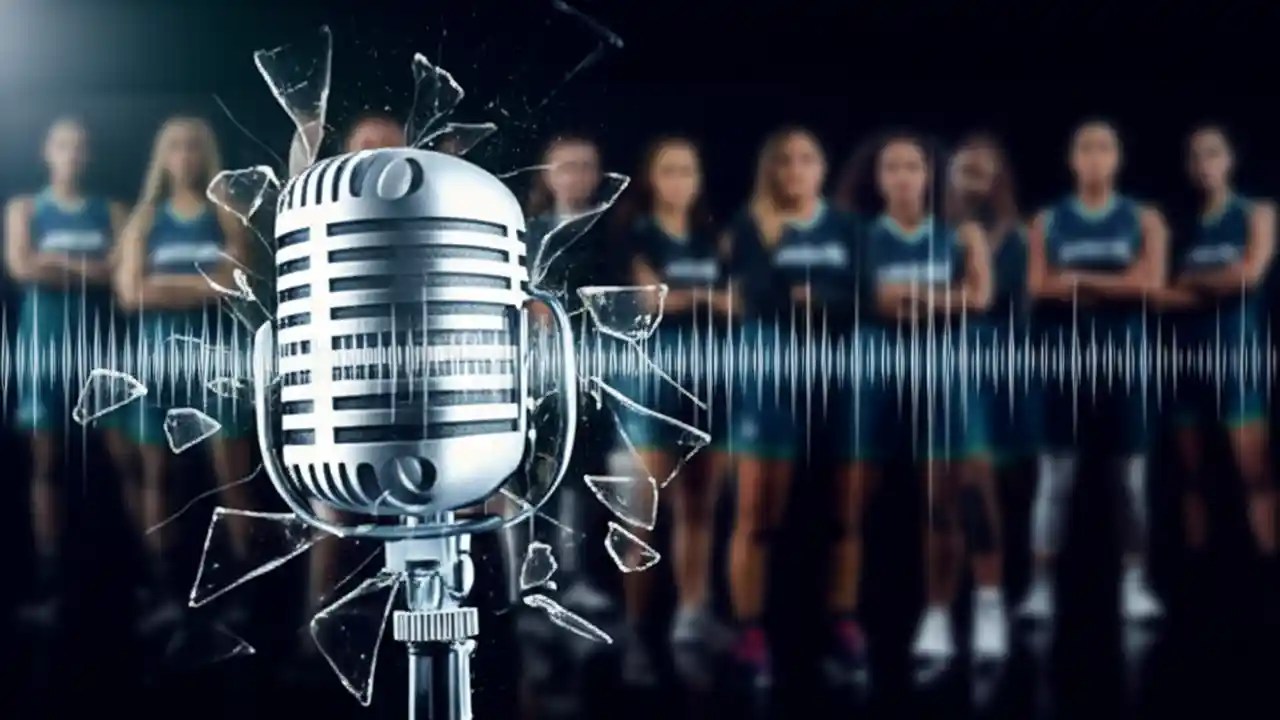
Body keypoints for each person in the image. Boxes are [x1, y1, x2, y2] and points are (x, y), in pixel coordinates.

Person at [850, 132, 1004, 677]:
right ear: (877, 177)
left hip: (947, 380)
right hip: (879, 381)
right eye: (891, 167)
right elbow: (862, 300)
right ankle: (855, 618)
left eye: (912, 166)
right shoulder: (862, 237)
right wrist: (938, 300)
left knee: (959, 495)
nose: (902, 177)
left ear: (929, 175)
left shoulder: (961, 234)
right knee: (860, 502)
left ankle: (966, 611)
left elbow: (980, 297)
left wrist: (910, 300)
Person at [721, 127, 862, 690]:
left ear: (822, 169)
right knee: (756, 513)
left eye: (807, 159)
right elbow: (754, 295)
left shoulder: (848, 228)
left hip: (836, 384)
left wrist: (812, 297)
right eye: (785, 161)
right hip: (768, 382)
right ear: (771, 171)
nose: (796, 170)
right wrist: (802, 296)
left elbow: (861, 297)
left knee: (841, 516)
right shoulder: (749, 225)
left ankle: (843, 625)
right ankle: (751, 633)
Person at [1020, 119, 1169, 623]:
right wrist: (1115, 282)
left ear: (1118, 158)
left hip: (1126, 361)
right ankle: (1040, 588)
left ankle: (1135, 583)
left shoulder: (1144, 218)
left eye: (1104, 147)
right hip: (1064, 362)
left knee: (1129, 479)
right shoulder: (1047, 220)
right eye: (1085, 147)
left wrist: (1078, 279)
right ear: (1071, 159)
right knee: (1055, 478)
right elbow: (1040, 287)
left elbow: (1150, 285)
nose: (1095, 156)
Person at [110, 116, 255, 626]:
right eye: (176, 146)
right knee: (158, 477)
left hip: (218, 360)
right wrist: (201, 284)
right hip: (156, 362)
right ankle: (166, 590)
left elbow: (236, 282)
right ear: (163, 157)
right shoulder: (146, 218)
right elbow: (131, 293)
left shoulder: (227, 213)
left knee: (232, 479)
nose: (186, 155)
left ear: (207, 153)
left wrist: (164, 285)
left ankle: (243, 598)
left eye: (195, 145)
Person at [612, 136, 734, 685]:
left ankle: (692, 614)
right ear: (652, 178)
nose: (680, 179)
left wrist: (698, 298)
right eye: (670, 170)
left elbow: (738, 301)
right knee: (645, 512)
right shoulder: (636, 234)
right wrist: (706, 299)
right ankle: (637, 628)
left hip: (706, 380)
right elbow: (649, 300)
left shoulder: (711, 235)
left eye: (689, 169)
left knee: (700, 508)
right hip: (652, 384)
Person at [5, 117, 127, 620]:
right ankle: (52, 583)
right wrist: (88, 267)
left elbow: (120, 274)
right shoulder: (25, 208)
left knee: (127, 463)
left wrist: (54, 261)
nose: (72, 154)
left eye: (80, 146)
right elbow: (21, 266)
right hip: (41, 352)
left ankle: (136, 581)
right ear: (47, 151)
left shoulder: (112, 210)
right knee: (47, 465)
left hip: (102, 356)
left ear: (89, 156)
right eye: (63, 144)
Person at [1159, 125, 1276, 599]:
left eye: (1213, 153)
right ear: (1188, 167)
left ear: (1229, 160)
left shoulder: (1259, 212)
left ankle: (1270, 572)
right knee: (1190, 474)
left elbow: (1249, 276)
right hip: (1186, 358)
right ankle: (1196, 576)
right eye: (1195, 155)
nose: (1204, 163)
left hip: (1238, 358)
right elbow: (1158, 297)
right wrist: (1212, 282)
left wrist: (1192, 280)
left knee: (1256, 474)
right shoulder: (1178, 224)